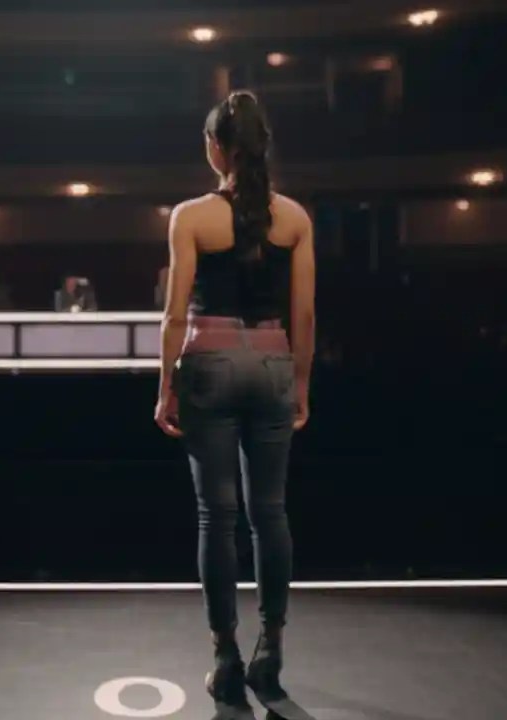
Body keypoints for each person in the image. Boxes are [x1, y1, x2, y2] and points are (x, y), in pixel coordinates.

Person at [154, 90, 316, 720]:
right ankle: (270, 647)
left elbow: (174, 316)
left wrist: (164, 384)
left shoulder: (190, 216)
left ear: (215, 149)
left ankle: (225, 658)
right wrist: (300, 386)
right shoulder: (295, 218)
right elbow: (303, 314)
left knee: (215, 518)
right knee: (269, 511)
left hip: (210, 366)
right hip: (274, 362)